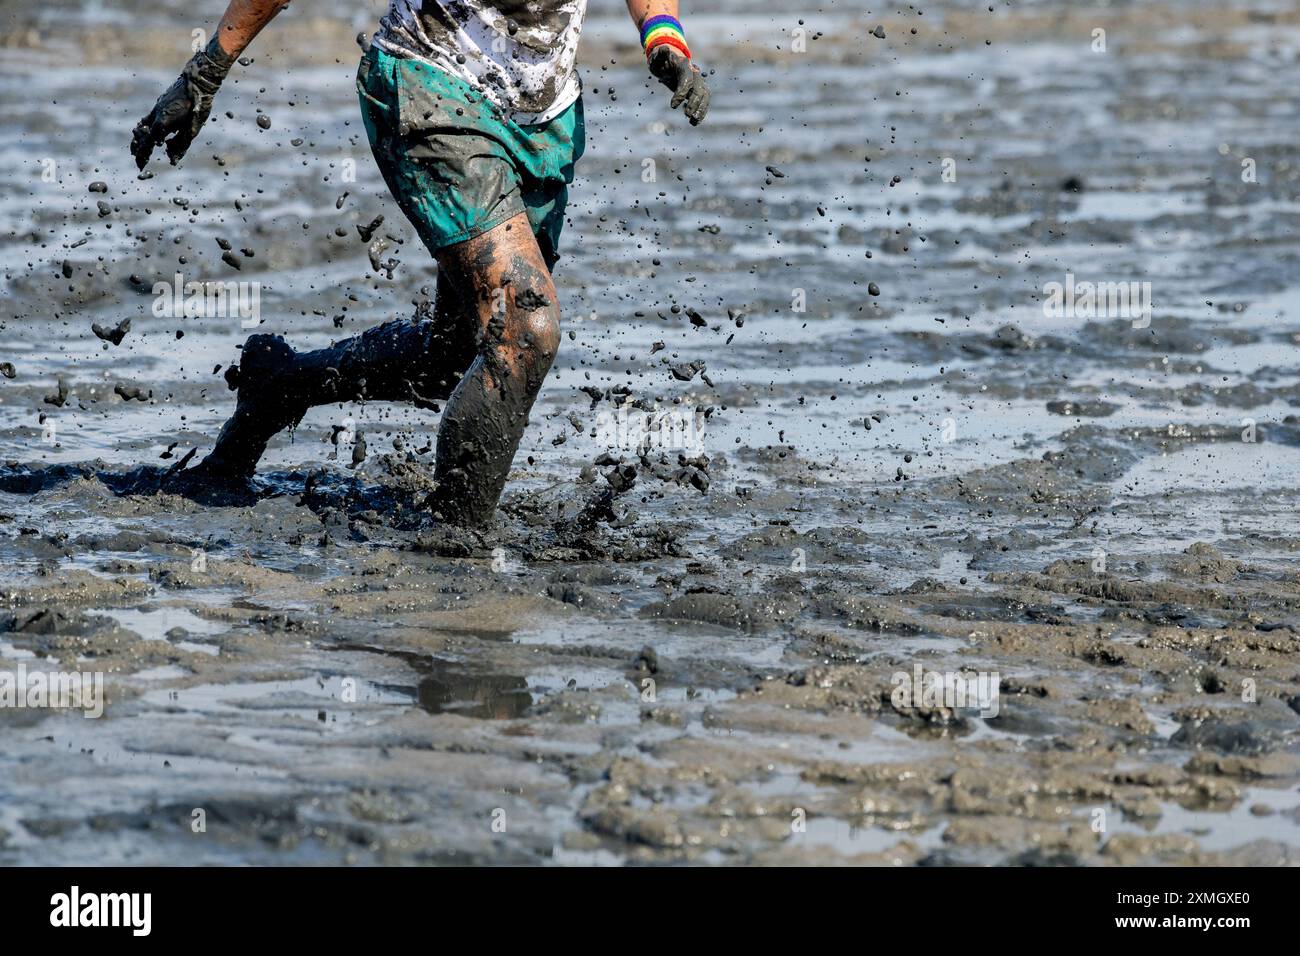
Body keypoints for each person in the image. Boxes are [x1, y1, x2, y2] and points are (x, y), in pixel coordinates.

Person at [130, 0, 710, 526]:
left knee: (453, 358)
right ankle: (457, 551)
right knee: (524, 330)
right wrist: (204, 73)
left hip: (543, 117)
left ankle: (280, 385)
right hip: (429, 85)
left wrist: (664, 40)